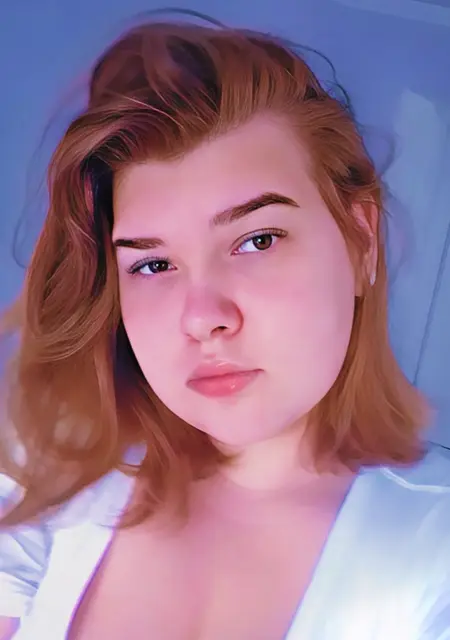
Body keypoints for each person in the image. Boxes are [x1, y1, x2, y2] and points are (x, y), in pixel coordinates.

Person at [0, 15, 449, 640]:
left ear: (361, 241)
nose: (202, 317)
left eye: (257, 240)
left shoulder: (432, 555)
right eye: (153, 264)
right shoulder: (49, 478)